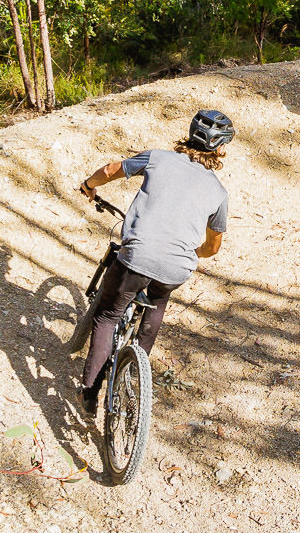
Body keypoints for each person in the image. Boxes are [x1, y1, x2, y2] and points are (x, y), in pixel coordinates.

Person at [71, 109, 233, 414]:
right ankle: (132, 384)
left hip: (137, 256)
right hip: (176, 268)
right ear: (221, 148)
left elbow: (108, 171)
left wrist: (89, 186)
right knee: (157, 303)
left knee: (107, 316)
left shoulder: (157, 158)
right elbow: (212, 247)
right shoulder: (219, 192)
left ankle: (90, 395)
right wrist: (188, 252)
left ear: (189, 133)